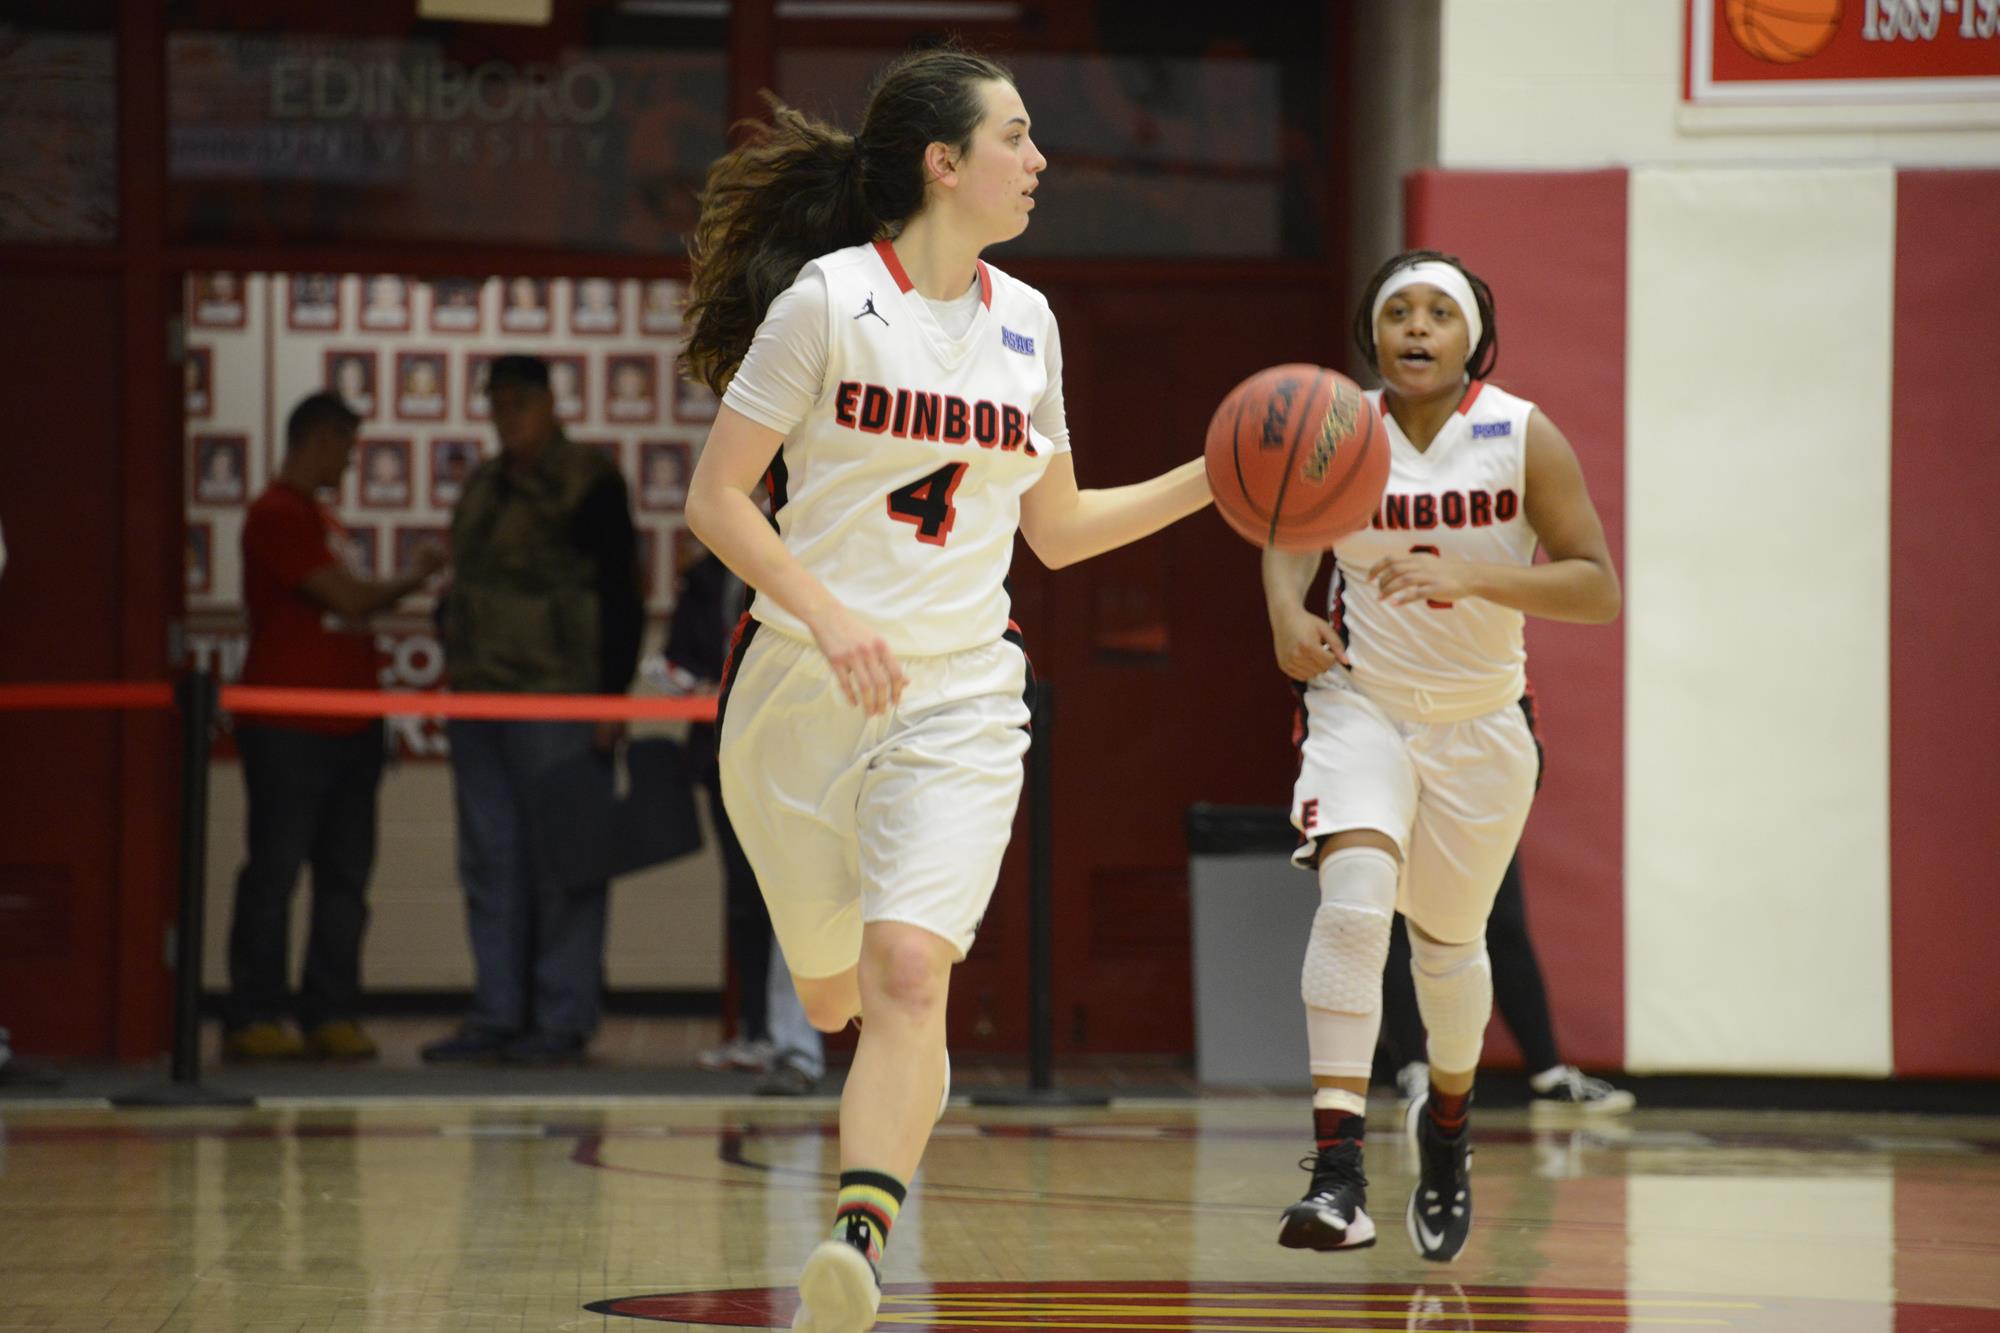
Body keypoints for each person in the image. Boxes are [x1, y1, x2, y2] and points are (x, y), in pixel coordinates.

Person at [680, 43, 1211, 1333]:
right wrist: (827, 610)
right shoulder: (826, 303)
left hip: (963, 691)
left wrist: (1220, 478)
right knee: (829, 994)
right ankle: (845, 1060)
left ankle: (858, 1230)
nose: (1038, 160)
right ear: (943, 163)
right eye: (1016, 137)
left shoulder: (1029, 321)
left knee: (909, 969)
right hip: (801, 688)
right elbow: (714, 500)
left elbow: (1062, 530)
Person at [1262, 249, 1619, 1262]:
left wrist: (1477, 577)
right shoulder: (1342, 432)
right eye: (1397, 312)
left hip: (1481, 723)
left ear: (1474, 337)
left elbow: (1596, 586)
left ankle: (1448, 1129)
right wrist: (1285, 612)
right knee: (1352, 904)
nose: (1415, 328)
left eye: (1438, 313)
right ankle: (1336, 1177)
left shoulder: (1518, 434)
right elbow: (1286, 536)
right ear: (1369, 335)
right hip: (1359, 708)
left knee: (1448, 950)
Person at [422, 354, 643, 1066]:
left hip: (561, 698)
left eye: (519, 401)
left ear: (551, 403)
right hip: (481, 698)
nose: (506, 414)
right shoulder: (485, 487)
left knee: (563, 866)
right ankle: (497, 1011)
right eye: (497, 402)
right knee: (491, 863)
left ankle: (560, 1017)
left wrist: (613, 697)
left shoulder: (588, 482)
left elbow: (621, 596)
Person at [224, 392, 446, 1061]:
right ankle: (254, 1012)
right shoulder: (276, 514)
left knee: (346, 875)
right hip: (289, 725)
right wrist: (417, 574)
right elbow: (346, 598)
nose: (351, 460)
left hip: (350, 724)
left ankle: (329, 1010)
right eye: (347, 445)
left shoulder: (322, 518)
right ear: (320, 437)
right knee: (276, 869)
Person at [1380, 728, 1637, 1118]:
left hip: (1471, 767)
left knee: (1504, 923)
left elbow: (1516, 691)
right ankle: (1414, 1070)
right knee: (1400, 920)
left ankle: (1548, 1073)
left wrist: (1522, 757)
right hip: (1394, 760)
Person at [658, 546, 825, 1095]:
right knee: (747, 897)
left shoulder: (815, 553)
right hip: (724, 751)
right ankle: (762, 1033)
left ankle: (799, 1043)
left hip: (804, 748)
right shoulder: (706, 572)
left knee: (804, 897)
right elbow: (677, 653)